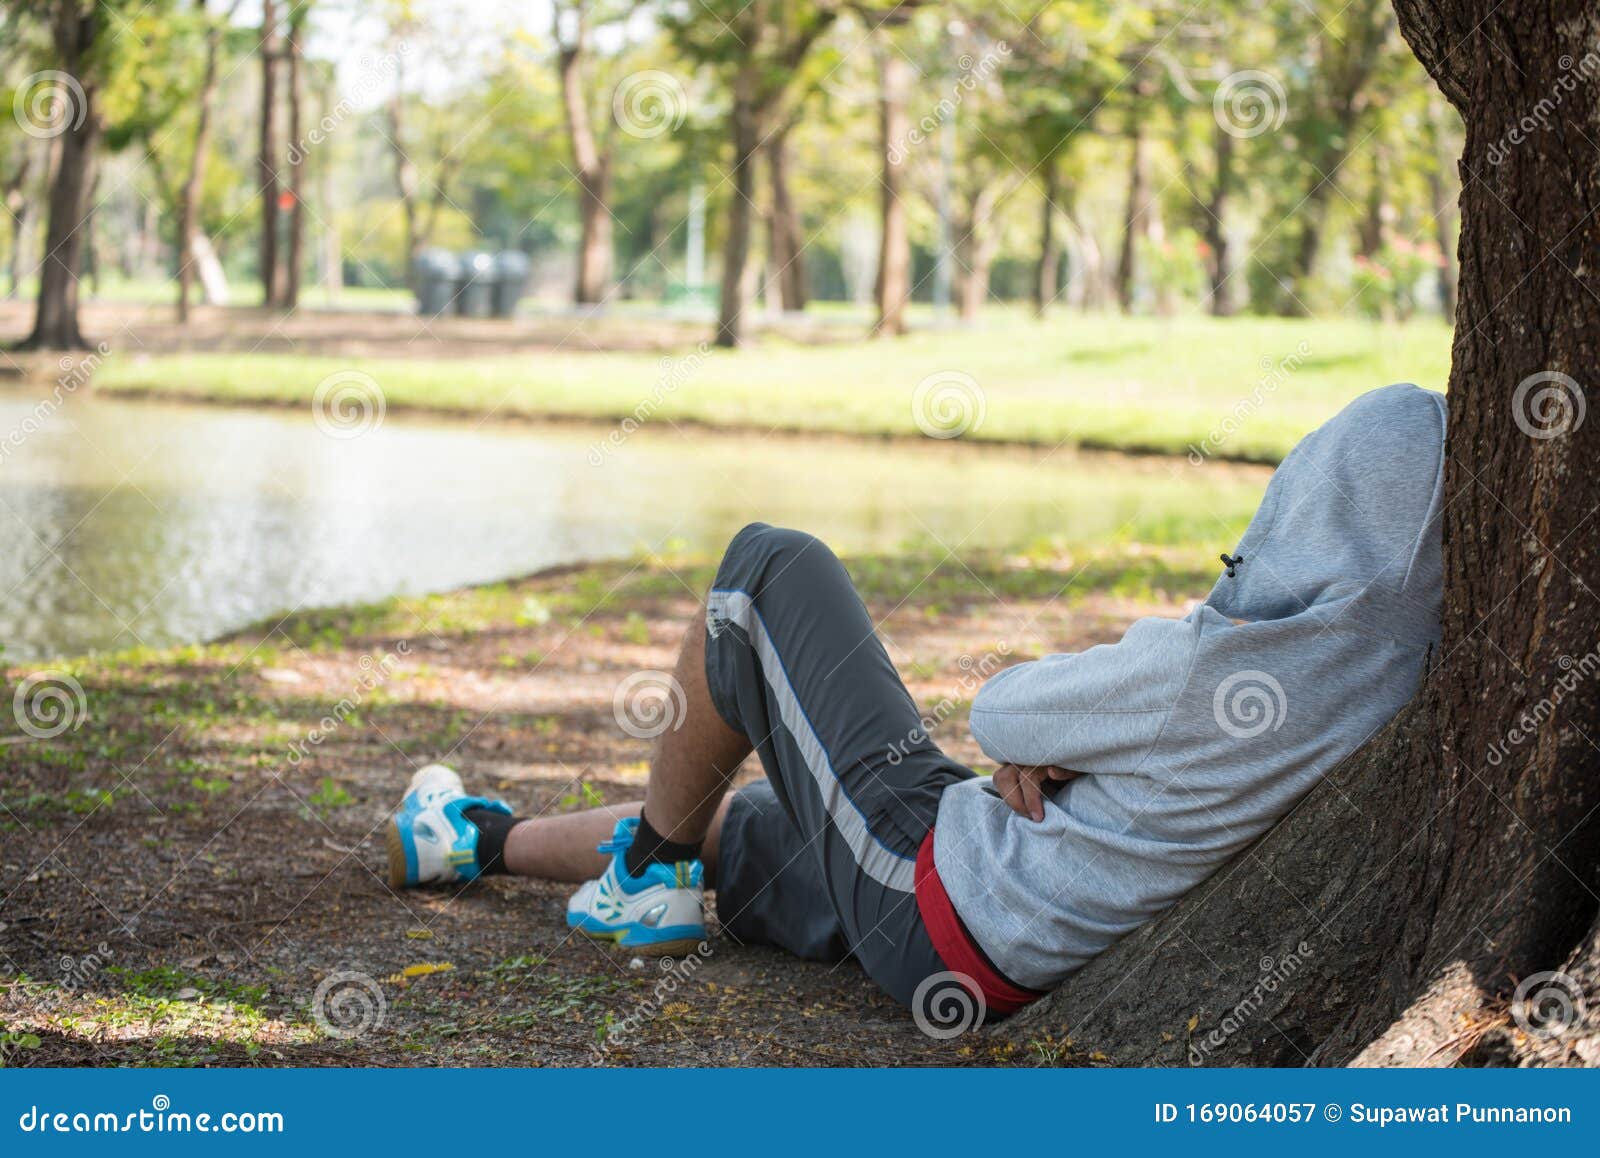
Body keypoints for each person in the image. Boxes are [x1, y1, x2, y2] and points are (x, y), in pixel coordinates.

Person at [387, 382, 1446, 1021]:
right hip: (1007, 920)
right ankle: (477, 840)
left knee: (763, 570)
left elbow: (1003, 713)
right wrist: (1085, 748)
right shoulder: (1394, 677)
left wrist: (1059, 738)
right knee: (759, 826)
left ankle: (646, 876)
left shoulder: (1215, 666)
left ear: (1312, 505)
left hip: (943, 893)